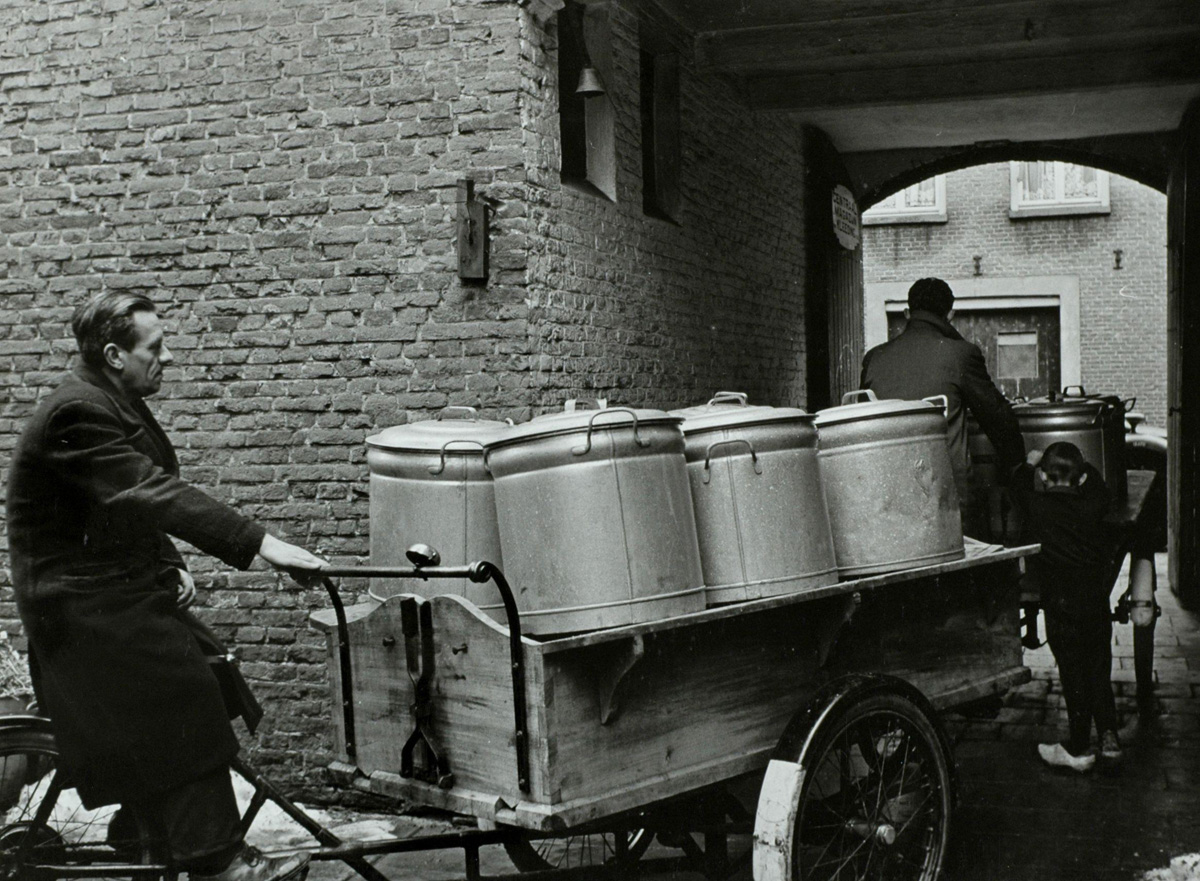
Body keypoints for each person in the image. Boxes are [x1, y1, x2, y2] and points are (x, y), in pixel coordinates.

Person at [6, 293, 327, 881]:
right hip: (78, 613)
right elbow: (147, 491)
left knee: (208, 667)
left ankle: (146, 824)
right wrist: (261, 543)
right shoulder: (75, 411)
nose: (168, 357)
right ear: (113, 354)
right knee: (183, 689)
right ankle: (217, 860)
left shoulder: (110, 399)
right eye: (155, 348)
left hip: (109, 594)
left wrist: (166, 560)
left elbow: (120, 502)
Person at [860, 277, 1025, 531]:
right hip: (946, 502)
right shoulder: (961, 354)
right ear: (950, 314)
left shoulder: (874, 358)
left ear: (907, 313)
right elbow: (998, 419)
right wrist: (1017, 469)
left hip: (885, 498)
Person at [1010, 442, 1120, 772]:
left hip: (1061, 609)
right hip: (1095, 605)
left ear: (1044, 477)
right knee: (1099, 670)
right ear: (1079, 477)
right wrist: (1084, 469)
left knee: (1073, 674)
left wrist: (1030, 464)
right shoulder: (1092, 505)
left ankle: (1078, 747)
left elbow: (1017, 483)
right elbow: (1099, 485)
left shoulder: (1038, 507)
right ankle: (1110, 738)